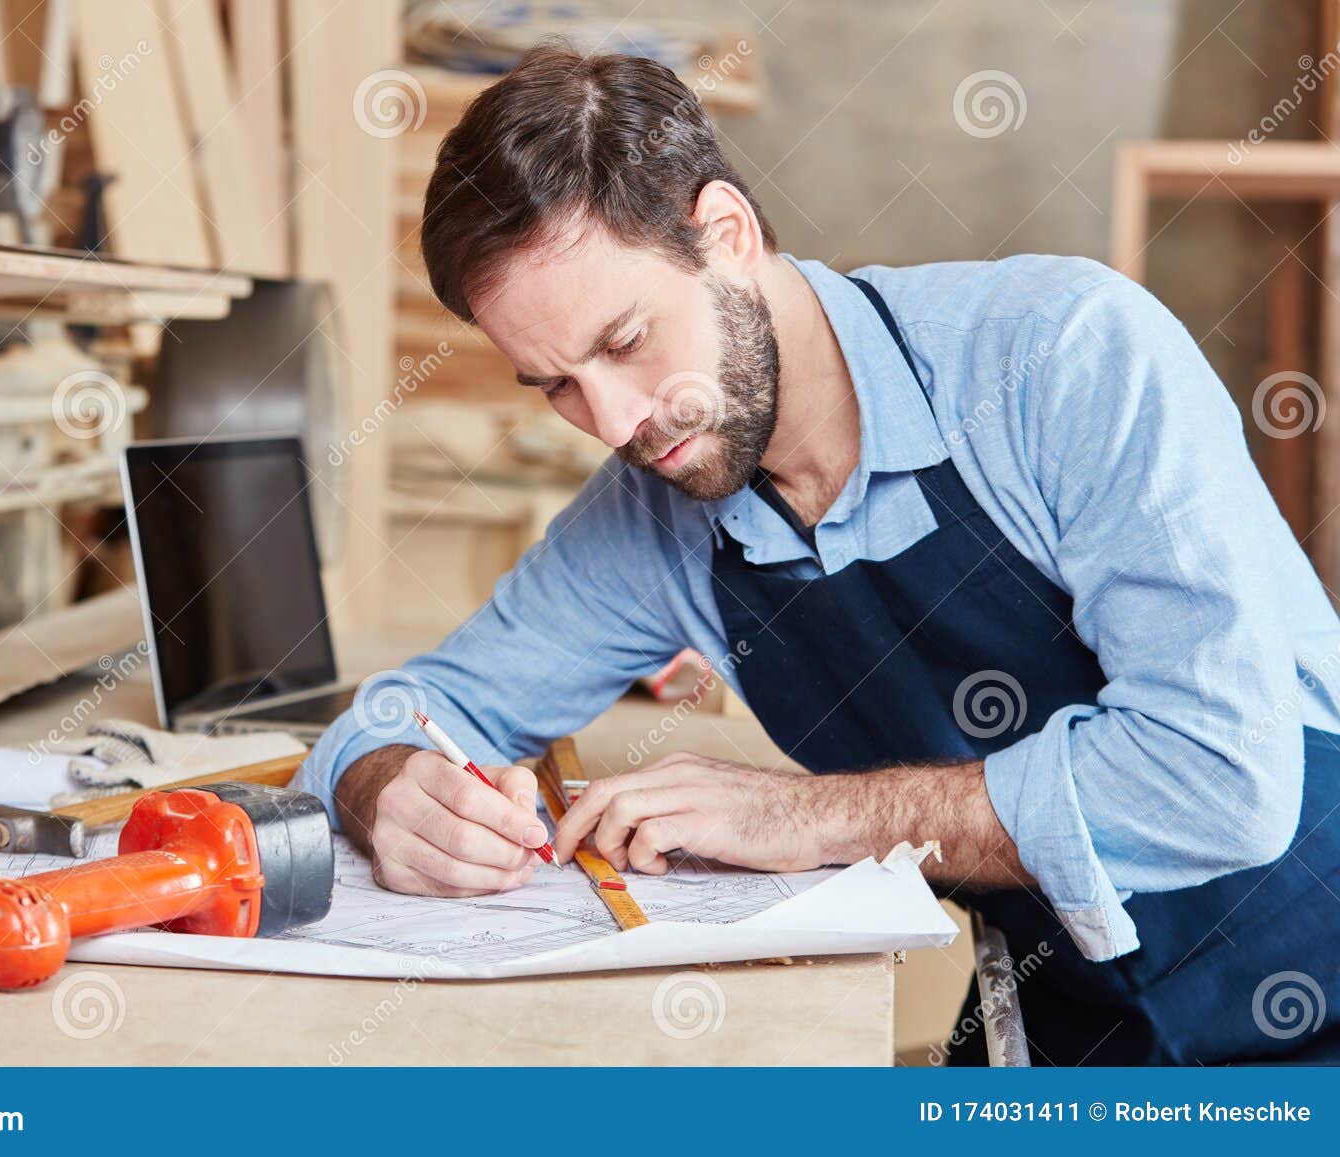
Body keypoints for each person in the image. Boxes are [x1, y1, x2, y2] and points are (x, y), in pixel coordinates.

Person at [296, 46, 1340, 1064]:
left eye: (622, 342)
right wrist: (388, 787)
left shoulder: (1060, 355)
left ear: (726, 233)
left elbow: (1220, 779)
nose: (612, 420)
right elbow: (407, 710)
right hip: (1070, 1030)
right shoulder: (649, 515)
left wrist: (803, 817)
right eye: (556, 383)